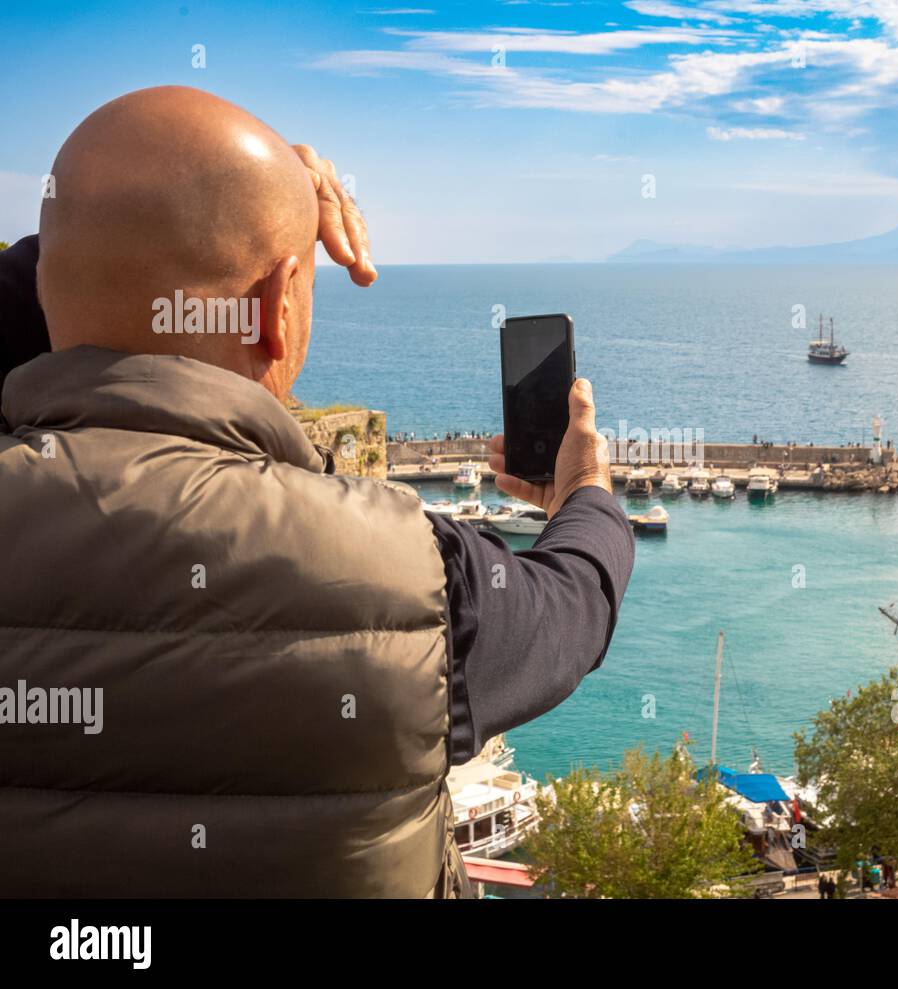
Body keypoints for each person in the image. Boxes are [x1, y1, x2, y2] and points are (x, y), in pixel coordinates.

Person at [0, 86, 633, 897]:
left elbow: (71, 285)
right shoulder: (408, 573)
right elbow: (572, 604)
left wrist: (97, 247)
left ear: (48, 289)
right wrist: (585, 489)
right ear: (278, 307)